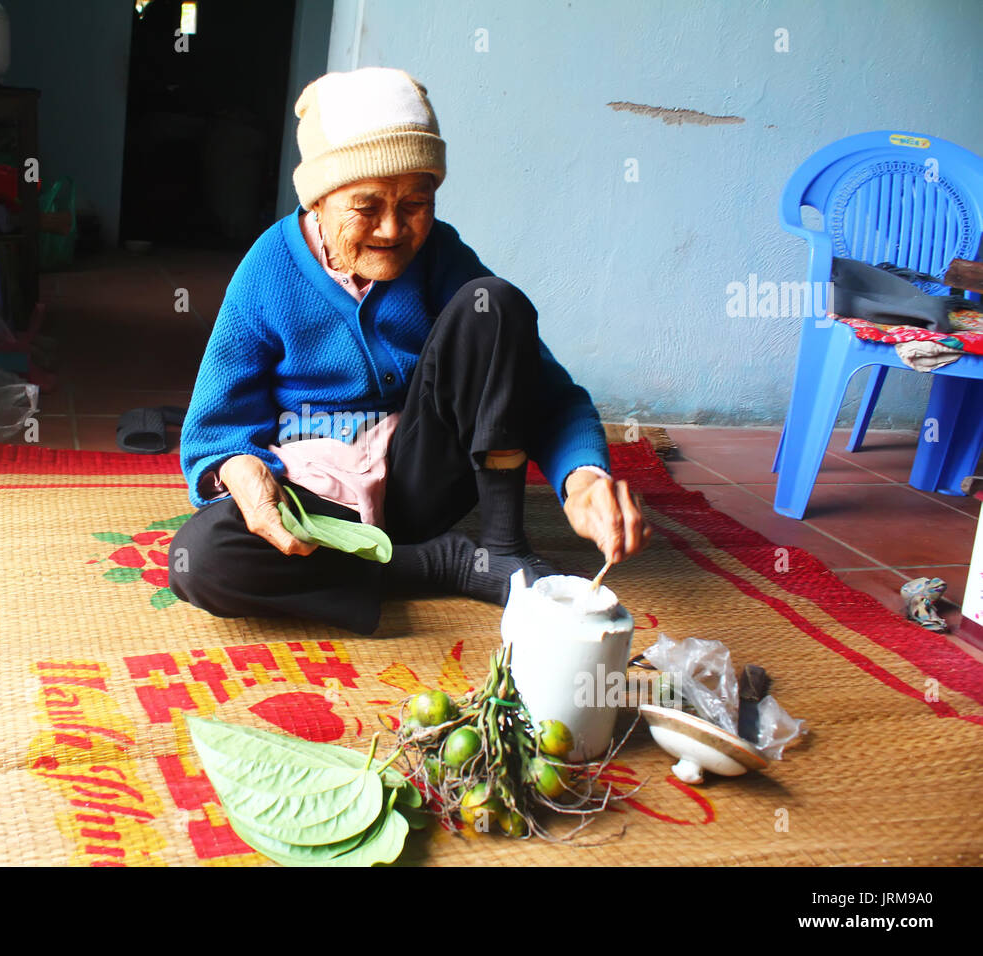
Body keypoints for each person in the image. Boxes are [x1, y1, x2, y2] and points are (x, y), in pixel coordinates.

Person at [169, 67, 650, 635]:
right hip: (319, 505)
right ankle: (443, 564)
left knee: (491, 304)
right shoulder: (267, 273)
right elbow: (214, 432)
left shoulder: (441, 256)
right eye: (366, 207)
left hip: (422, 479)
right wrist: (240, 469)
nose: (393, 229)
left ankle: (500, 545)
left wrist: (584, 478)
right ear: (319, 199)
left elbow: (543, 388)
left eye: (416, 203)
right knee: (199, 560)